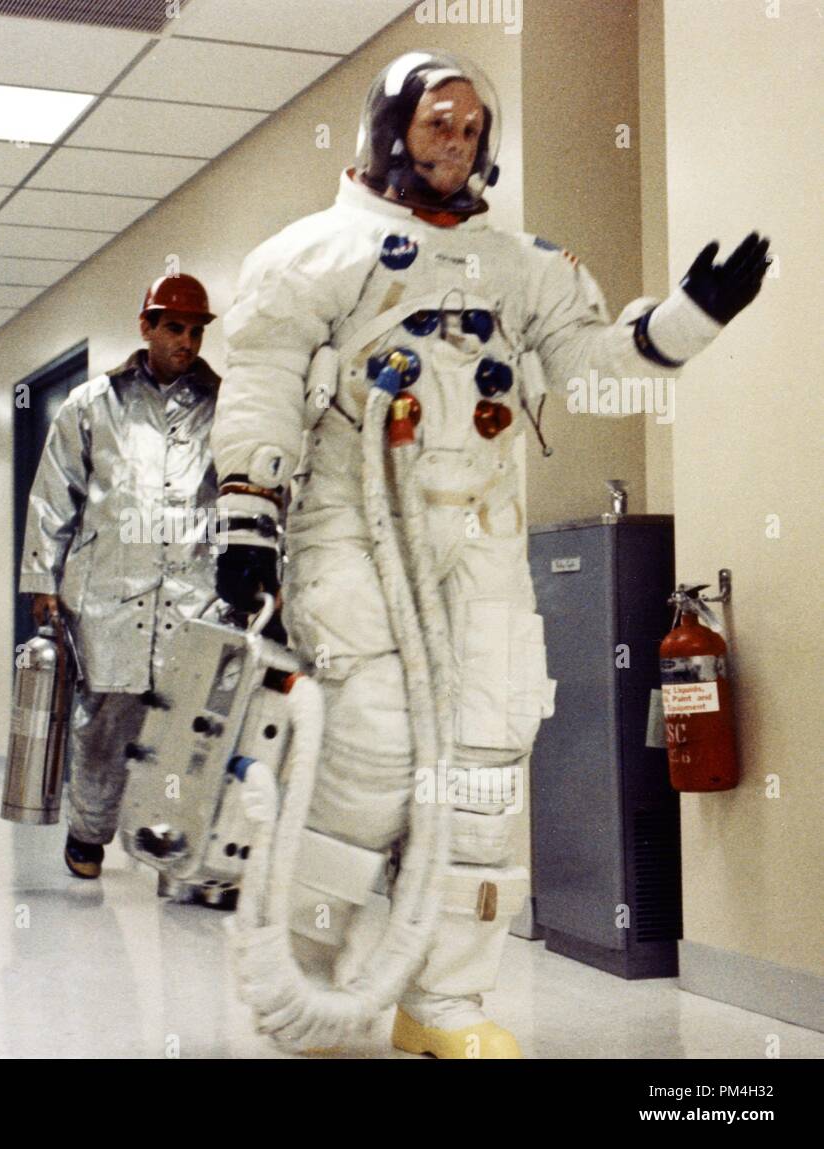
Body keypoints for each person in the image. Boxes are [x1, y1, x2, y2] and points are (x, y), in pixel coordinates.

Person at [211, 51, 769, 1057]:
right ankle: (306, 993)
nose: (454, 141)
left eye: (470, 129)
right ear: (391, 129)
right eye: (436, 123)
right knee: (365, 764)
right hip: (353, 533)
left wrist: (689, 317)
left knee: (482, 774)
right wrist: (247, 513)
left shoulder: (525, 266)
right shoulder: (310, 255)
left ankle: (444, 1005)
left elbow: (597, 365)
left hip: (482, 548)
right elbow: (258, 381)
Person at [20, 275, 221, 880]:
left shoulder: (224, 406)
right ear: (147, 327)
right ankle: (89, 831)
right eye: (174, 328)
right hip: (107, 590)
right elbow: (54, 496)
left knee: (184, 725)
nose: (186, 341)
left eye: (195, 330)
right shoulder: (91, 404)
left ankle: (169, 845)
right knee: (104, 717)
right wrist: (42, 580)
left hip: (193, 591)